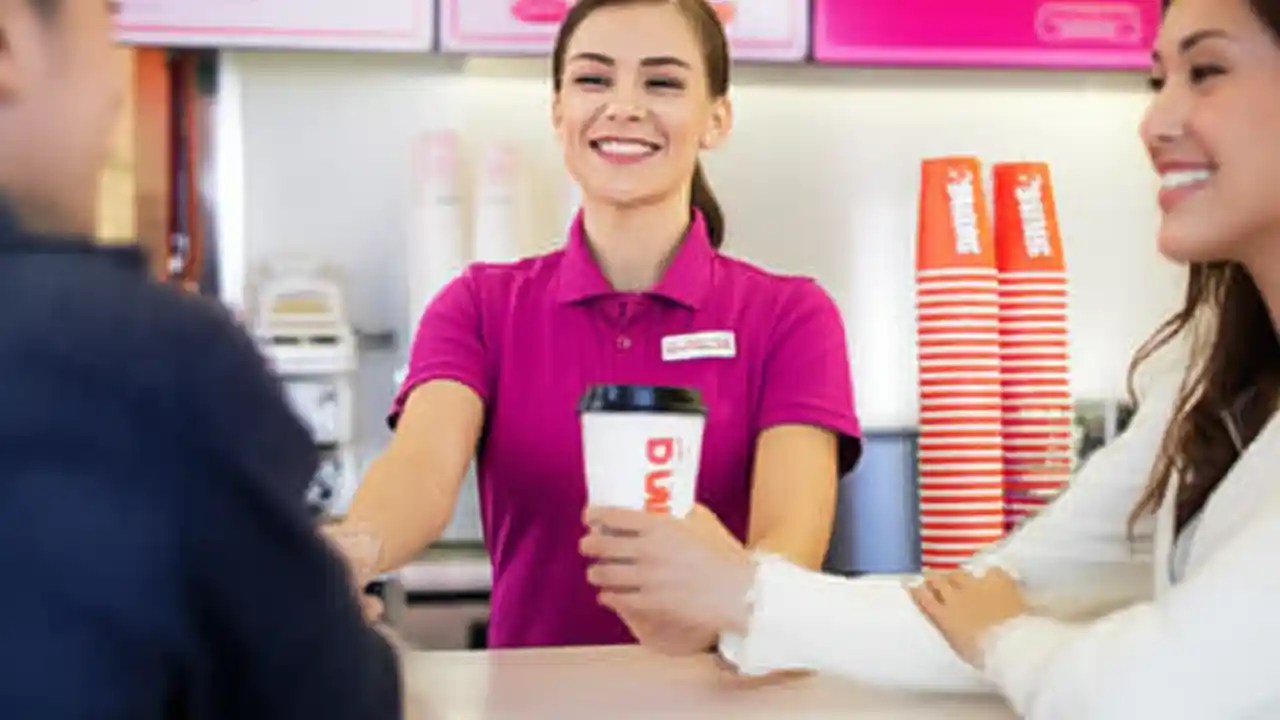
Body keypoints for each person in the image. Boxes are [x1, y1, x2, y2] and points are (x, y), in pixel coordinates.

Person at [581, 0, 1280, 716]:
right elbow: (1002, 590)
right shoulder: (1206, 378)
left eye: (1206, 72)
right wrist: (740, 595)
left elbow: (1146, 689)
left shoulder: (787, 311)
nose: (1156, 122)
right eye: (1156, 80)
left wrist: (1002, 636)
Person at [331, 0, 861, 651]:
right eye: (593, 79)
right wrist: (351, 554)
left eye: (662, 82)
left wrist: (723, 587)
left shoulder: (791, 317)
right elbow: (420, 467)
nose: (624, 106)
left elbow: (789, 550)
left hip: (728, 703)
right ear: (558, 112)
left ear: (716, 118)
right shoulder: (478, 306)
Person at [0, 1, 402, 717]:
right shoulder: (145, 364)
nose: (115, 88)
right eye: (108, 23)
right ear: (8, 44)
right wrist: (318, 604)